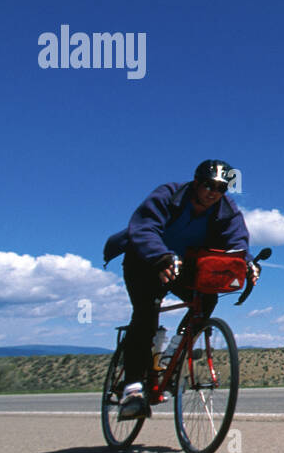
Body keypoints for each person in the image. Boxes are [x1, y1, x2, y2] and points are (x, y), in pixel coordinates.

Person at [102, 160, 258, 418]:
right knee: (146, 313)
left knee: (207, 300)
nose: (213, 192)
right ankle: (132, 388)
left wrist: (247, 264)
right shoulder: (168, 195)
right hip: (145, 259)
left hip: (187, 264)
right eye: (208, 185)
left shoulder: (227, 210)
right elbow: (144, 227)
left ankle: (173, 356)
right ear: (196, 182)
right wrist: (159, 256)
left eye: (221, 188)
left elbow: (236, 243)